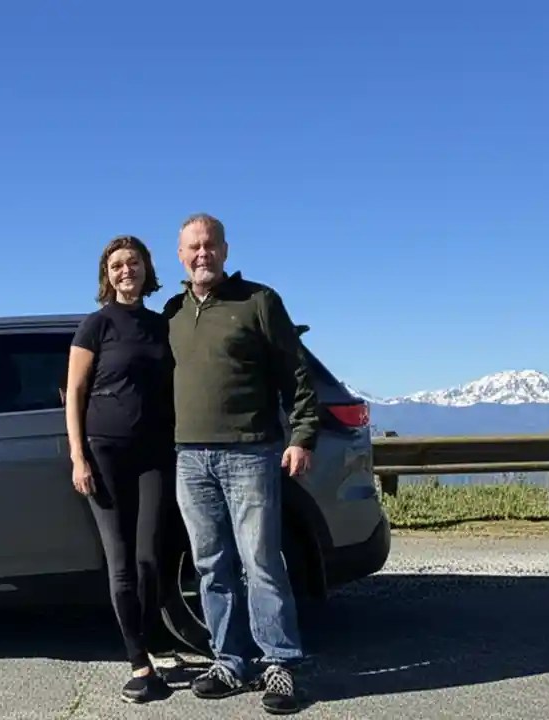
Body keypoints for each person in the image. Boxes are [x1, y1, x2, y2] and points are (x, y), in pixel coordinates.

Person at [162, 213, 319, 715]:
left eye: (210, 245)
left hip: (251, 452)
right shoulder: (172, 312)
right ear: (180, 256)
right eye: (193, 247)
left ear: (225, 250)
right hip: (190, 456)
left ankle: (281, 664)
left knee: (262, 563)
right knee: (211, 566)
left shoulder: (258, 301)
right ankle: (230, 661)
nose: (202, 253)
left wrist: (302, 436)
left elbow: (296, 375)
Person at [65, 234, 176, 704]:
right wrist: (78, 456)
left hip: (155, 453)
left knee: (150, 557)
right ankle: (139, 663)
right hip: (105, 453)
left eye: (133, 263)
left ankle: (151, 639)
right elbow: (73, 393)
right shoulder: (97, 325)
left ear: (147, 270)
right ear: (105, 276)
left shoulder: (164, 323)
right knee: (121, 560)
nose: (125, 271)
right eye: (115, 266)